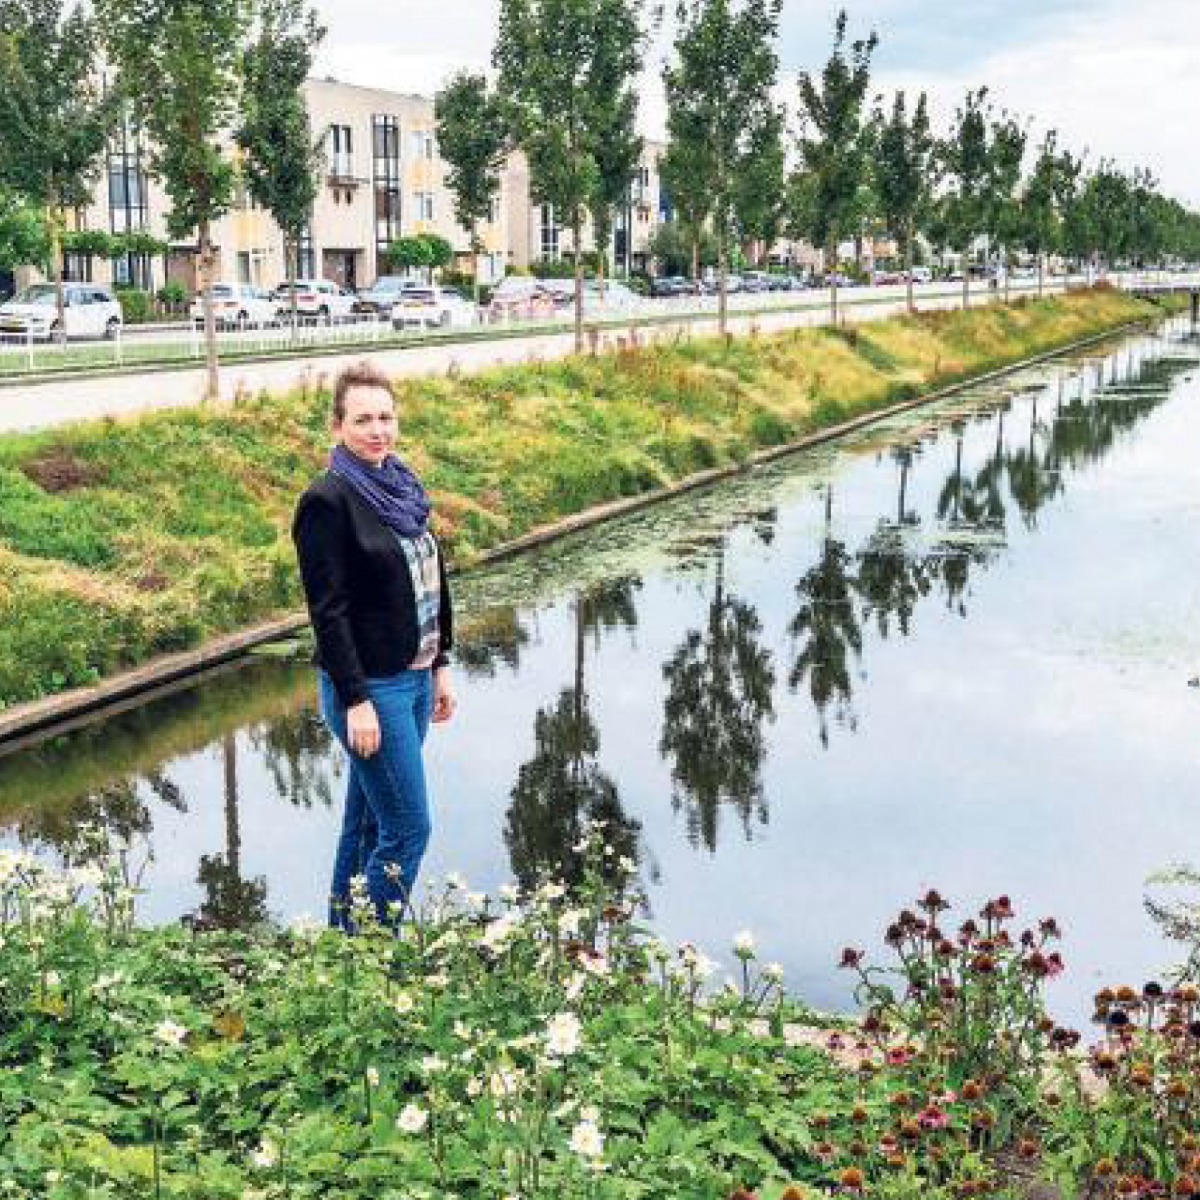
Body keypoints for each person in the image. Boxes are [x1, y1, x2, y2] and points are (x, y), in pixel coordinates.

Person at [292, 361, 455, 928]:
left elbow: (432, 583)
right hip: (372, 689)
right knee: (409, 829)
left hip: (413, 678)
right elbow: (328, 613)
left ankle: (343, 947)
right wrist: (355, 698)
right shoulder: (326, 501)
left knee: (366, 825)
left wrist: (440, 665)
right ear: (337, 427)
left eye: (385, 417)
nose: (377, 430)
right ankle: (372, 951)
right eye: (362, 419)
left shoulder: (403, 487)